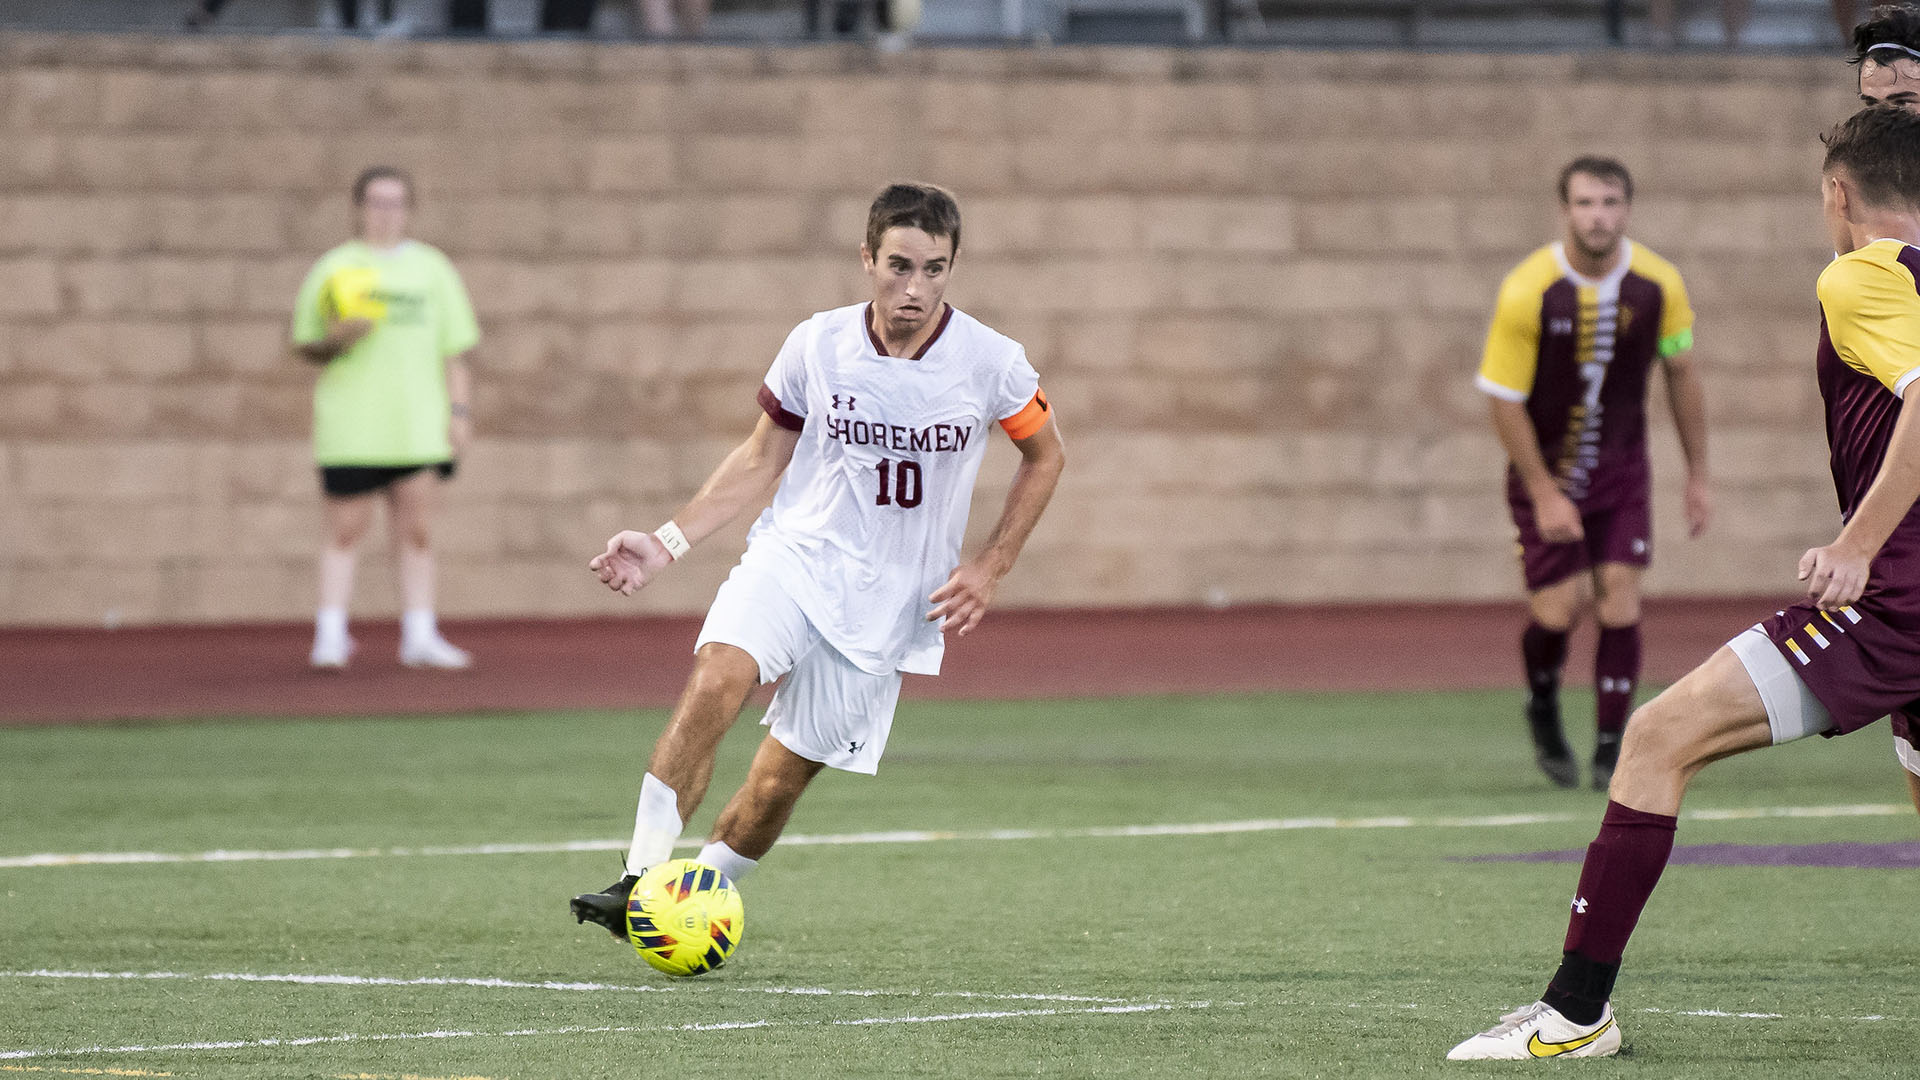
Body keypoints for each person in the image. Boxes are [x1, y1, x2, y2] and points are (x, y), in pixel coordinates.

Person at [1449, 104, 1920, 1061]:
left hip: (1897, 606)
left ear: (1838, 195)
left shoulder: (1861, 272)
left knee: (1659, 738)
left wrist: (1861, 542)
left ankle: (1575, 1017)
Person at [568, 183, 1066, 937]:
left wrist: (992, 565)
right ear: (866, 258)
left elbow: (1047, 456)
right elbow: (764, 451)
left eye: (935, 269)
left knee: (777, 783)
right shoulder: (818, 342)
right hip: (795, 557)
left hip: (893, 603)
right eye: (899, 265)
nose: (915, 288)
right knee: (719, 676)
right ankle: (637, 878)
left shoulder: (991, 362)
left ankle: (685, 908)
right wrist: (667, 542)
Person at [1476, 157, 1711, 791]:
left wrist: (1698, 474)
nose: (1598, 215)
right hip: (1545, 470)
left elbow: (1681, 373)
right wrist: (1545, 491)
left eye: (1609, 202)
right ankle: (1543, 702)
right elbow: (1502, 398)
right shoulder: (1528, 289)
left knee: (1620, 595)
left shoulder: (1659, 285)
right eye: (1585, 203)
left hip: (1623, 467)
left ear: (1626, 210)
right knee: (1559, 609)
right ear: (1565, 211)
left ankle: (1613, 747)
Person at [291, 166, 480, 671]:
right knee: (346, 529)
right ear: (359, 207)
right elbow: (306, 343)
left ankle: (419, 634)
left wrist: (459, 412)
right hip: (353, 426)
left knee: (416, 529)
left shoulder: (432, 269)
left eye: (396, 202)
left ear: (409, 209)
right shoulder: (334, 267)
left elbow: (455, 352)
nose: (385, 212)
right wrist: (339, 339)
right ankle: (330, 634)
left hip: (418, 425)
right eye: (376, 201)